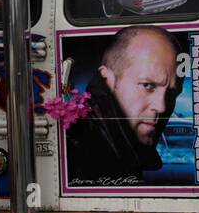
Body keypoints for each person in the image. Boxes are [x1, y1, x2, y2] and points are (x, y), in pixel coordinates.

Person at [66, 26, 181, 185]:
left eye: (171, 93)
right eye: (147, 85)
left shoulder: (120, 144)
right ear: (107, 79)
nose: (161, 107)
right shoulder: (81, 147)